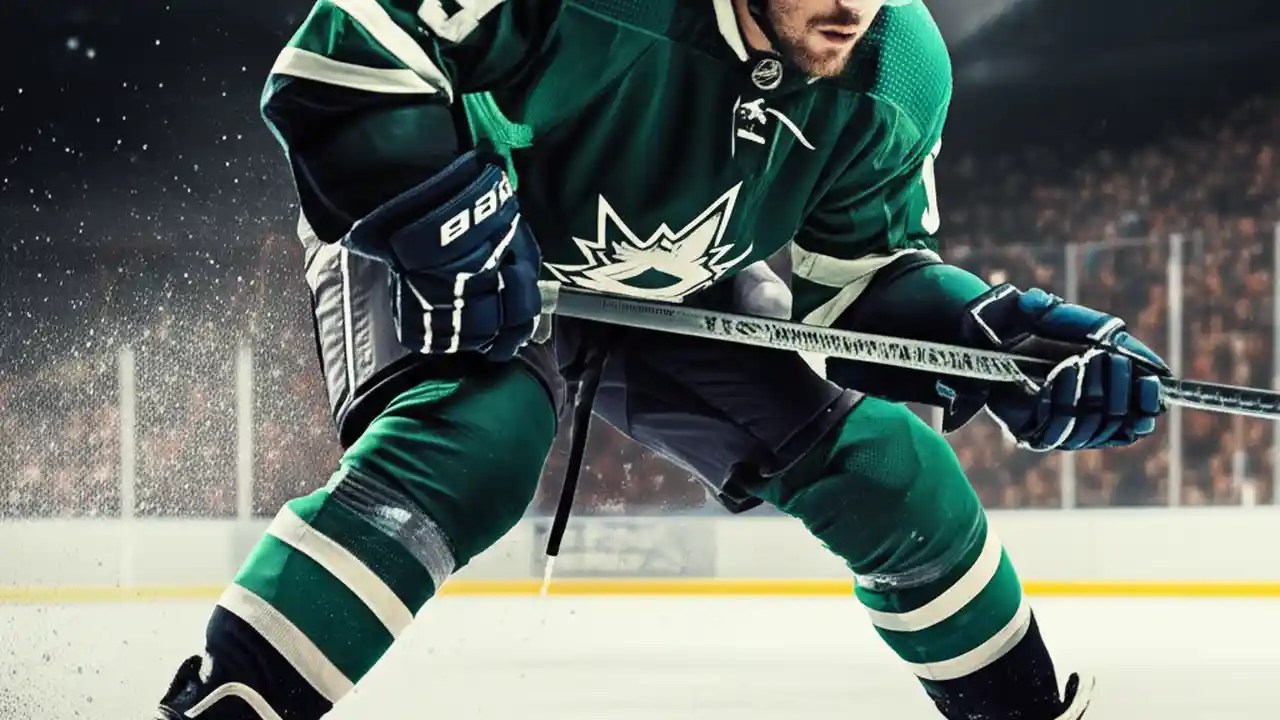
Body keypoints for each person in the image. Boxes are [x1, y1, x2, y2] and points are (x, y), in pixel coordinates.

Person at [154, 1, 1169, 718]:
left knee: (887, 474)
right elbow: (339, 62)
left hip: (663, 280)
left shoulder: (898, 67)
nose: (856, 7)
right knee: (479, 437)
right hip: (450, 227)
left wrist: (1004, 342)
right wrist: (440, 208)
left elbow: (860, 282)